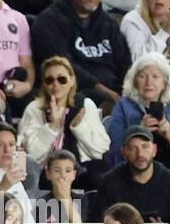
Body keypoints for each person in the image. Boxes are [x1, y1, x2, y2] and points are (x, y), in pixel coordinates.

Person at [31, 0, 132, 111]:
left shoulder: (108, 24)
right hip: (73, 93)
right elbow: (63, 67)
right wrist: (101, 90)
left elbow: (124, 63)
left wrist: (130, 90)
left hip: (113, 91)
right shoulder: (49, 21)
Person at [17, 55, 108, 186]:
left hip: (81, 171)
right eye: (49, 80)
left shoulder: (85, 105)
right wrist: (52, 126)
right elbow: (31, 155)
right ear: (44, 84)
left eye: (62, 79)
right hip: (46, 173)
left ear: (71, 81)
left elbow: (100, 149)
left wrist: (79, 127)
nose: (56, 84)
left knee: (97, 178)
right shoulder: (34, 109)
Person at [105, 52, 170, 179]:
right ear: (135, 82)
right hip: (135, 173)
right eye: (142, 76)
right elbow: (115, 155)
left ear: (164, 82)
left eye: (155, 77)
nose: (148, 82)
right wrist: (140, 131)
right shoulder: (123, 106)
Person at [90, 125, 170, 223]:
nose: (140, 154)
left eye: (145, 147)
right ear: (123, 153)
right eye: (132, 148)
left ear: (154, 150)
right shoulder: (109, 182)